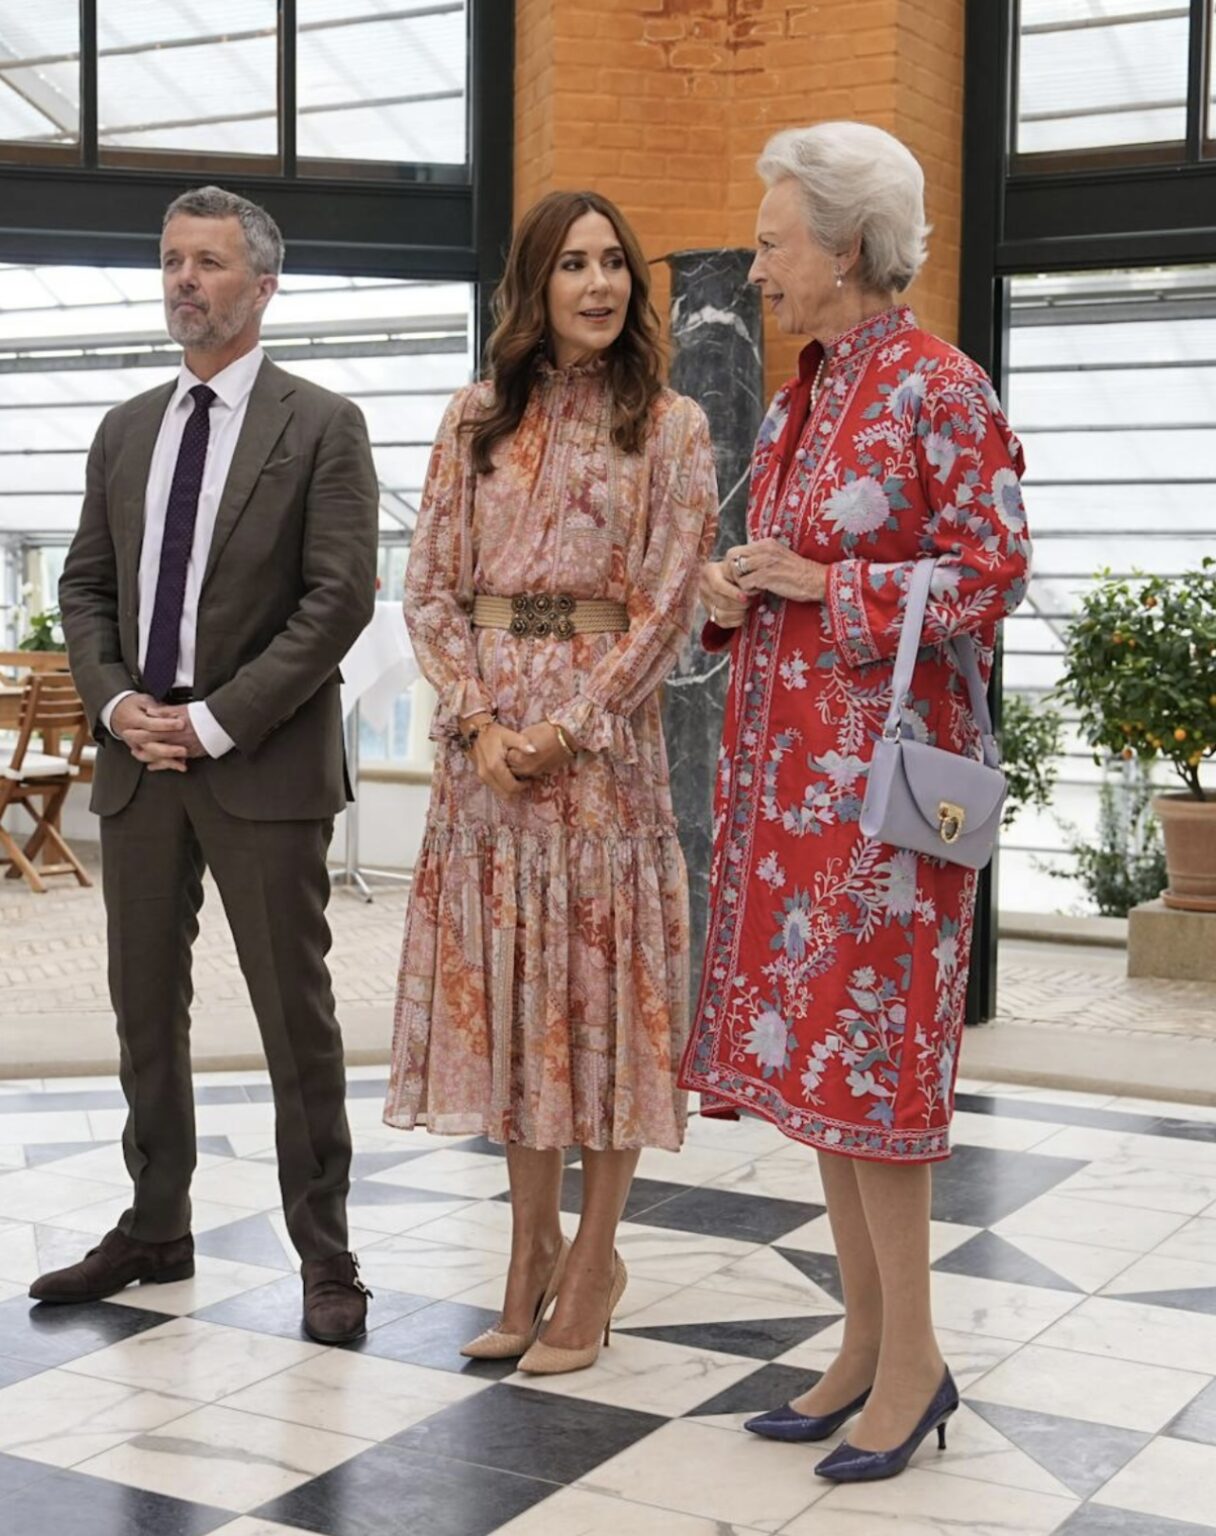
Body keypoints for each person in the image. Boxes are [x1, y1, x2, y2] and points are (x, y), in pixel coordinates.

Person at [680, 123, 1031, 1481]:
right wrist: (732, 591)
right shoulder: (799, 397)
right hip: (784, 807)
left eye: (773, 244)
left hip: (887, 816)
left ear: (846, 245)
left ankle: (919, 1363)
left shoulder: (942, 387)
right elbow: (780, 563)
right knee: (823, 1081)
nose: (757, 270)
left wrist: (835, 588)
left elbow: (994, 571)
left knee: (876, 1081)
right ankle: (864, 1344)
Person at [37, 185, 379, 1344]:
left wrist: (219, 718)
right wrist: (120, 701)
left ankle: (326, 1254)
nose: (185, 280)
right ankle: (155, 1224)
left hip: (260, 763)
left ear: (262, 284)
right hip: (139, 762)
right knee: (144, 1008)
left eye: (210, 263)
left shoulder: (321, 422)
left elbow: (338, 599)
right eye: (172, 260)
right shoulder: (126, 426)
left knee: (296, 1016)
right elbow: (85, 587)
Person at [385, 189, 718, 1375]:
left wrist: (574, 724)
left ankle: (592, 1263)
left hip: (603, 761)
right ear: (534, 284)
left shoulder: (669, 425)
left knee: (600, 1003)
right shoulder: (474, 417)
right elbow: (426, 585)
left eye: (614, 263)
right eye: (572, 264)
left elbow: (672, 594)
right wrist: (477, 723)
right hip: (485, 770)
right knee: (520, 1005)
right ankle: (526, 1255)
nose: (597, 284)